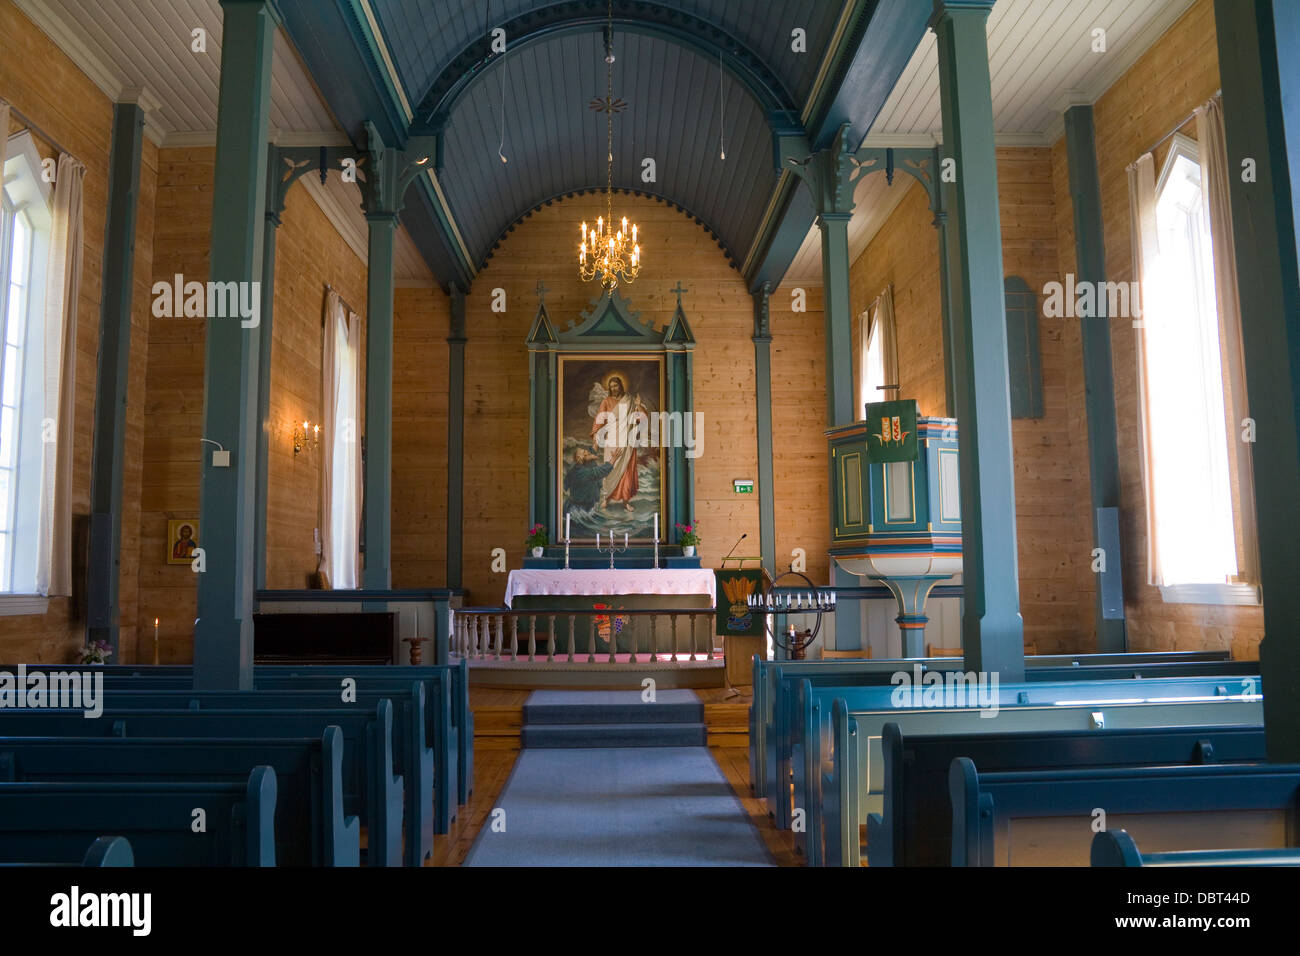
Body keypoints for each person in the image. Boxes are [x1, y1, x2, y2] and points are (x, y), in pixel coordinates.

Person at [591, 375, 646, 512]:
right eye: (611, 387)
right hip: (612, 439)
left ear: (620, 385)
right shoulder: (606, 401)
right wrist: (596, 437)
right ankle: (607, 498)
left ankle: (625, 500)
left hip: (627, 440)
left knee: (626, 470)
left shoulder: (630, 401)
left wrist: (638, 405)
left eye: (616, 385)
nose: (614, 388)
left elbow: (641, 419)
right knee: (611, 468)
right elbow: (599, 419)